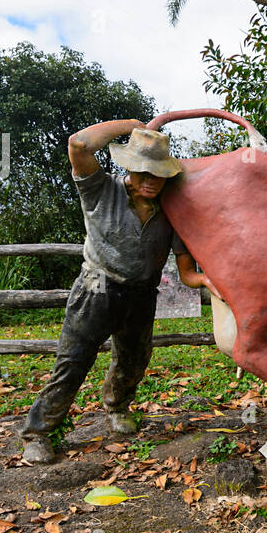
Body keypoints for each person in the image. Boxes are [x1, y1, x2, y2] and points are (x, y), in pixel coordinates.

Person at [20, 119, 188, 464]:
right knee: (73, 362)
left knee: (134, 360)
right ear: (128, 166)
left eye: (158, 173)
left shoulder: (170, 209)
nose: (150, 180)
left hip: (142, 292)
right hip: (97, 286)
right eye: (143, 171)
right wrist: (131, 125)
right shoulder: (101, 189)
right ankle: (38, 432)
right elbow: (78, 145)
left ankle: (117, 405)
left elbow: (187, 260)